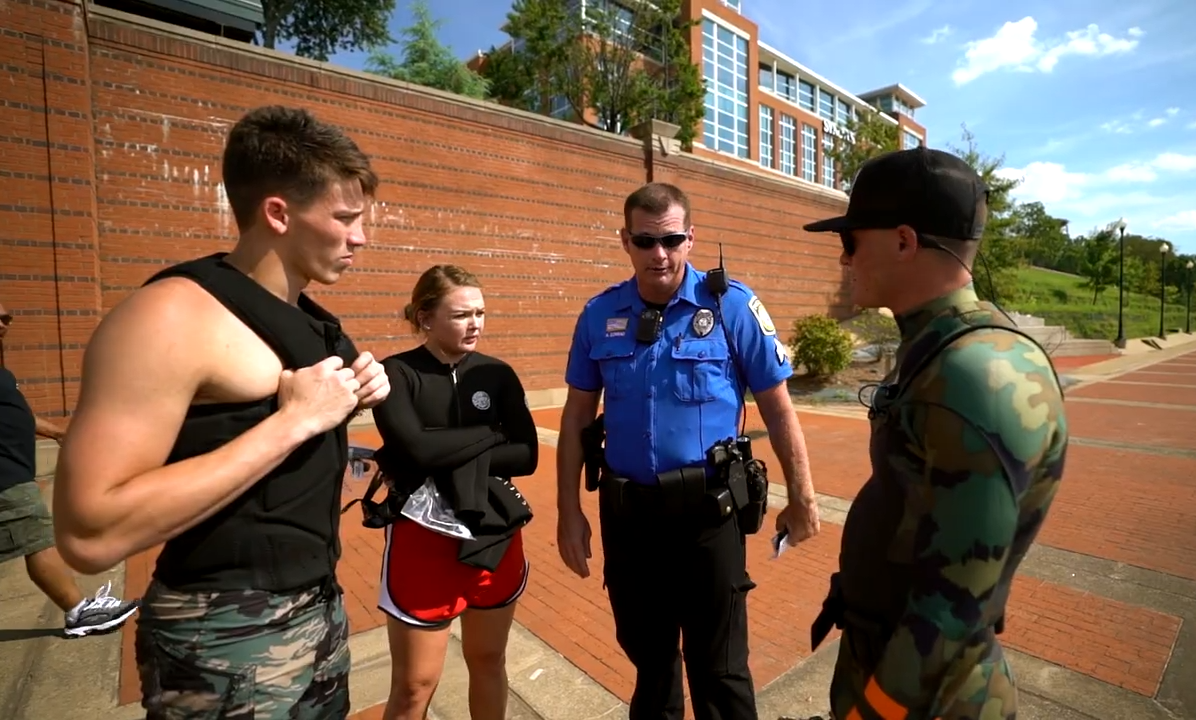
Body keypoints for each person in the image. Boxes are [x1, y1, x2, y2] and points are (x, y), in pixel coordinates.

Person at [52, 105, 389, 719]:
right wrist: (291, 423)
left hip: (318, 614)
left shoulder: (315, 323)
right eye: (345, 218)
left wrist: (359, 389)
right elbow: (87, 533)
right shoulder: (169, 317)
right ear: (278, 214)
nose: (360, 237)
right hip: (220, 637)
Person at [802, 147, 1069, 720]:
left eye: (851, 239)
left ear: (903, 241)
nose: (844, 258)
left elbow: (953, 608)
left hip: (928, 697)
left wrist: (871, 712)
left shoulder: (976, 374)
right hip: (890, 662)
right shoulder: (940, 347)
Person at [555, 181, 822, 720]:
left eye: (672, 239)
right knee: (650, 664)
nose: (660, 253)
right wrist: (569, 512)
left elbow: (778, 408)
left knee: (718, 668)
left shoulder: (732, 308)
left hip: (707, 516)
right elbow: (577, 416)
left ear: (691, 238)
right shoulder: (599, 314)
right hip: (629, 519)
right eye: (645, 241)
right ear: (624, 241)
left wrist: (804, 498)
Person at [368, 264, 539, 720]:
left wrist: (438, 449)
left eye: (481, 313)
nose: (476, 323)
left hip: (494, 535)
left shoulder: (497, 374)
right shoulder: (396, 374)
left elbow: (526, 456)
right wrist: (492, 433)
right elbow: (418, 452)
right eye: (462, 314)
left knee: (488, 660)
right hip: (422, 545)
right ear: (425, 317)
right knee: (415, 685)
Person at [0, 303, 139, 638]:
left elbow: (17, 413)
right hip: (6, 477)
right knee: (37, 539)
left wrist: (59, 432)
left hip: (15, 468)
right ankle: (78, 612)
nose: (5, 320)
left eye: (7, 315)